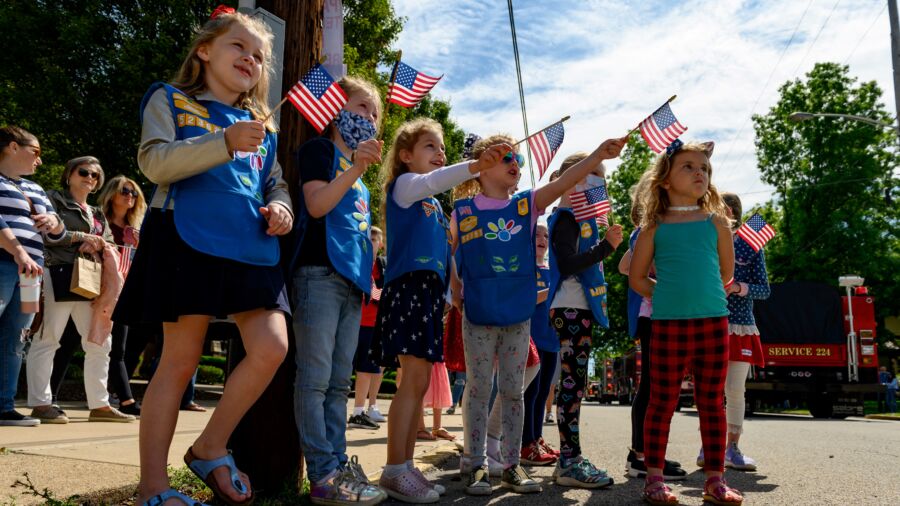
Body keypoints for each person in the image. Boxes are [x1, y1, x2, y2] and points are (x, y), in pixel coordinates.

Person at [113, 8, 294, 506]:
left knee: (272, 346)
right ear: (205, 50)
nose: (251, 60)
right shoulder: (168, 98)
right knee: (180, 359)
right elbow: (153, 162)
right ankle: (154, 488)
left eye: (259, 56)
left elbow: (273, 183)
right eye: (239, 47)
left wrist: (281, 207)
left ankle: (211, 446)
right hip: (186, 236)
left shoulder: (263, 126)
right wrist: (221, 142)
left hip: (252, 247)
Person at [451, 134, 626, 496]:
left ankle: (511, 465)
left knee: (514, 391)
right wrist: (455, 290)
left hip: (518, 315)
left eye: (517, 157)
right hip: (479, 313)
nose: (514, 162)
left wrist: (596, 154)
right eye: (503, 157)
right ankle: (475, 465)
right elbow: (448, 254)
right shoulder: (462, 211)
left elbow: (563, 181)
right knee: (480, 388)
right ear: (481, 166)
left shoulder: (526, 205)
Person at [375, 118, 503, 503]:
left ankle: (407, 463)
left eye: (442, 148)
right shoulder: (405, 187)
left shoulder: (431, 203)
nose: (440, 153)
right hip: (408, 289)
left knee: (419, 381)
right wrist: (475, 166)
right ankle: (395, 469)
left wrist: (454, 288)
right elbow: (432, 181)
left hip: (430, 294)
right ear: (405, 155)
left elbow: (445, 254)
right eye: (430, 146)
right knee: (411, 380)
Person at [289, 74, 386, 506]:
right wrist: (357, 168)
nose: (370, 117)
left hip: (351, 285)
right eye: (362, 106)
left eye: (375, 113)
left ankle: (339, 464)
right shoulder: (320, 151)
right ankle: (323, 473)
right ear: (337, 107)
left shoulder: (361, 178)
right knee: (312, 380)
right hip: (317, 275)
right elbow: (316, 205)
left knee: (336, 385)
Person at [629, 140, 742, 505]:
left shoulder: (717, 221)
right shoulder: (654, 225)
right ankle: (655, 478)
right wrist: (663, 294)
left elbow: (726, 272)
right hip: (667, 324)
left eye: (704, 169)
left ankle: (715, 479)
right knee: (662, 402)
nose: (699, 173)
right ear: (665, 180)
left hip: (713, 321)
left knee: (712, 401)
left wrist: (703, 293)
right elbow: (637, 278)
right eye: (688, 167)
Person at [25, 156, 133, 424]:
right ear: (69, 174)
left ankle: (100, 405)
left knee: (99, 342)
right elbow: (48, 234)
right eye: (84, 172)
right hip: (58, 274)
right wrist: (84, 238)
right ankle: (41, 404)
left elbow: (108, 242)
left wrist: (97, 244)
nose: (90, 177)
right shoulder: (52, 199)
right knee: (48, 339)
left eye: (96, 175)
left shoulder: (96, 213)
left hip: (90, 282)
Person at [545, 152, 623, 488]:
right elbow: (567, 263)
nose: (599, 183)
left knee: (573, 385)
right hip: (570, 308)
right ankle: (569, 460)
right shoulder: (567, 217)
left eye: (602, 177)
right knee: (572, 386)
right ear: (573, 179)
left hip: (580, 308)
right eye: (593, 174)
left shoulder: (581, 219)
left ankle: (569, 456)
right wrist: (606, 247)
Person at [695, 192, 770, 472]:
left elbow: (765, 290)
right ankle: (708, 446)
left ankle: (733, 449)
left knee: (736, 390)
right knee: (709, 390)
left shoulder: (751, 246)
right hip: (708, 321)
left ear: (726, 211)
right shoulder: (705, 242)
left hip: (740, 326)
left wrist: (738, 287)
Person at [619, 172, 686, 481]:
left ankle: (648, 452)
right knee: (652, 386)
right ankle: (640, 456)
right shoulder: (648, 230)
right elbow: (635, 268)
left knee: (660, 386)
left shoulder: (658, 228)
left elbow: (623, 266)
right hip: (654, 315)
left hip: (663, 314)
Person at [0, 126, 65, 427]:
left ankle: (4, 405)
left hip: (31, 273)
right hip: (5, 263)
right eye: (36, 152)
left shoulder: (37, 189)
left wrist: (54, 221)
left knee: (17, 337)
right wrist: (18, 252)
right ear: (13, 147)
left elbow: (59, 233)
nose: (39, 160)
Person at [97, 175, 147, 417]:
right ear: (112, 194)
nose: (130, 196)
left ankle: (126, 400)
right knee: (70, 342)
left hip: (125, 293)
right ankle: (50, 395)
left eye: (134, 193)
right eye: (125, 191)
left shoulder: (137, 229)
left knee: (118, 348)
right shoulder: (98, 221)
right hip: (96, 290)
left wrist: (142, 244)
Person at [520, 223, 561, 466]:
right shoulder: (526, 268)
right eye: (536, 233)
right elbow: (525, 299)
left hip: (551, 339)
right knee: (531, 392)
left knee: (544, 391)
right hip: (531, 338)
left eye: (546, 235)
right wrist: (549, 291)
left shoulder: (551, 269)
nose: (542, 238)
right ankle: (526, 443)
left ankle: (537, 438)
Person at [348, 226, 386, 430]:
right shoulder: (358, 261)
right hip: (355, 320)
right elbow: (374, 294)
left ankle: (361, 410)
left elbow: (380, 295)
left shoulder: (381, 266)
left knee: (369, 368)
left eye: (374, 239)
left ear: (380, 244)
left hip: (372, 324)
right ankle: (357, 411)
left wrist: (377, 292)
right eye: (368, 238)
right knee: (357, 367)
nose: (371, 242)